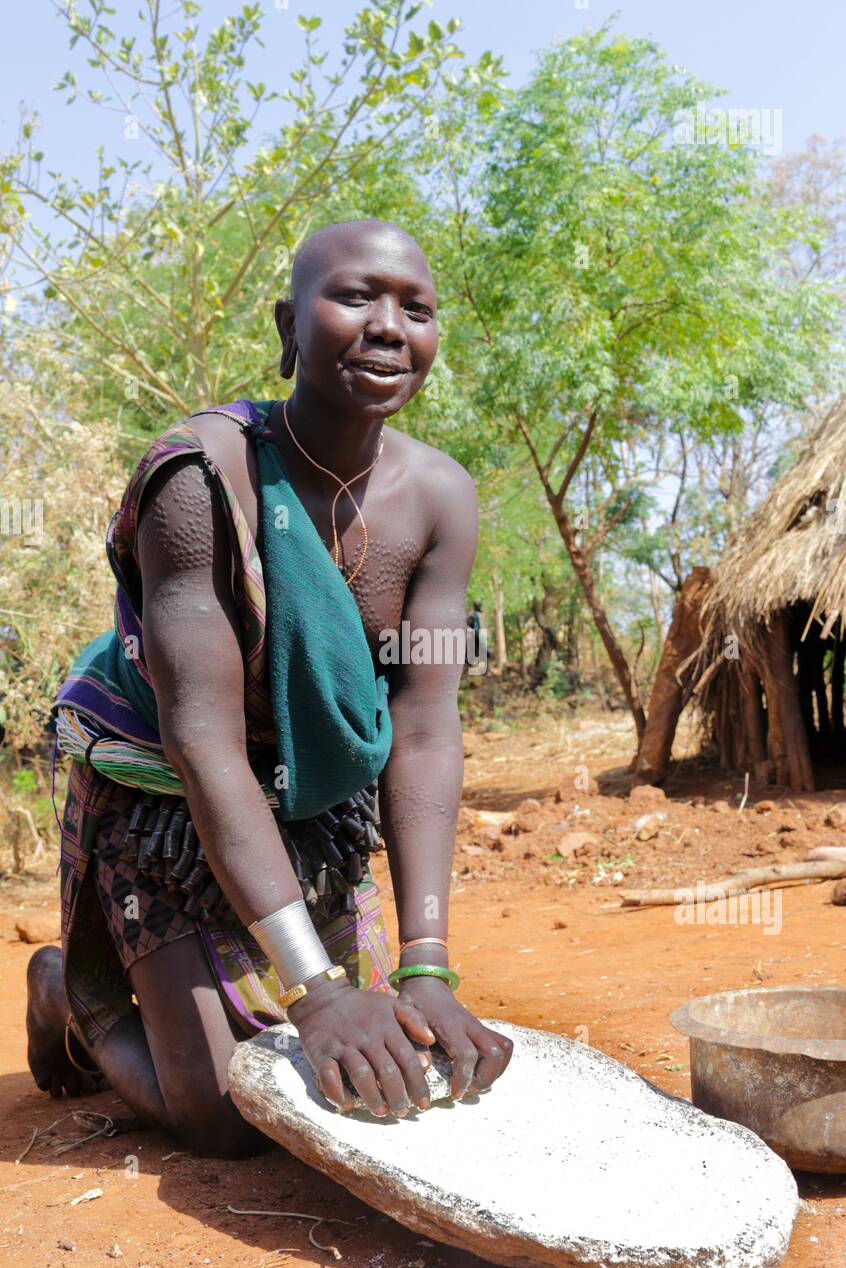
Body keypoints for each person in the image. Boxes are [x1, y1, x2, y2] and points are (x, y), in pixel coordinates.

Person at [25, 219, 513, 1157]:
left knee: (383, 1065)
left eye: (416, 309)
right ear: (290, 325)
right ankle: (72, 997)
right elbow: (201, 736)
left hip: (313, 795)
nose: (387, 326)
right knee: (221, 1112)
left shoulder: (440, 497)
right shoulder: (200, 480)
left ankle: (291, 956)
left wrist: (427, 965)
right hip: (166, 790)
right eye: (355, 297)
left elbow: (421, 725)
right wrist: (318, 989)